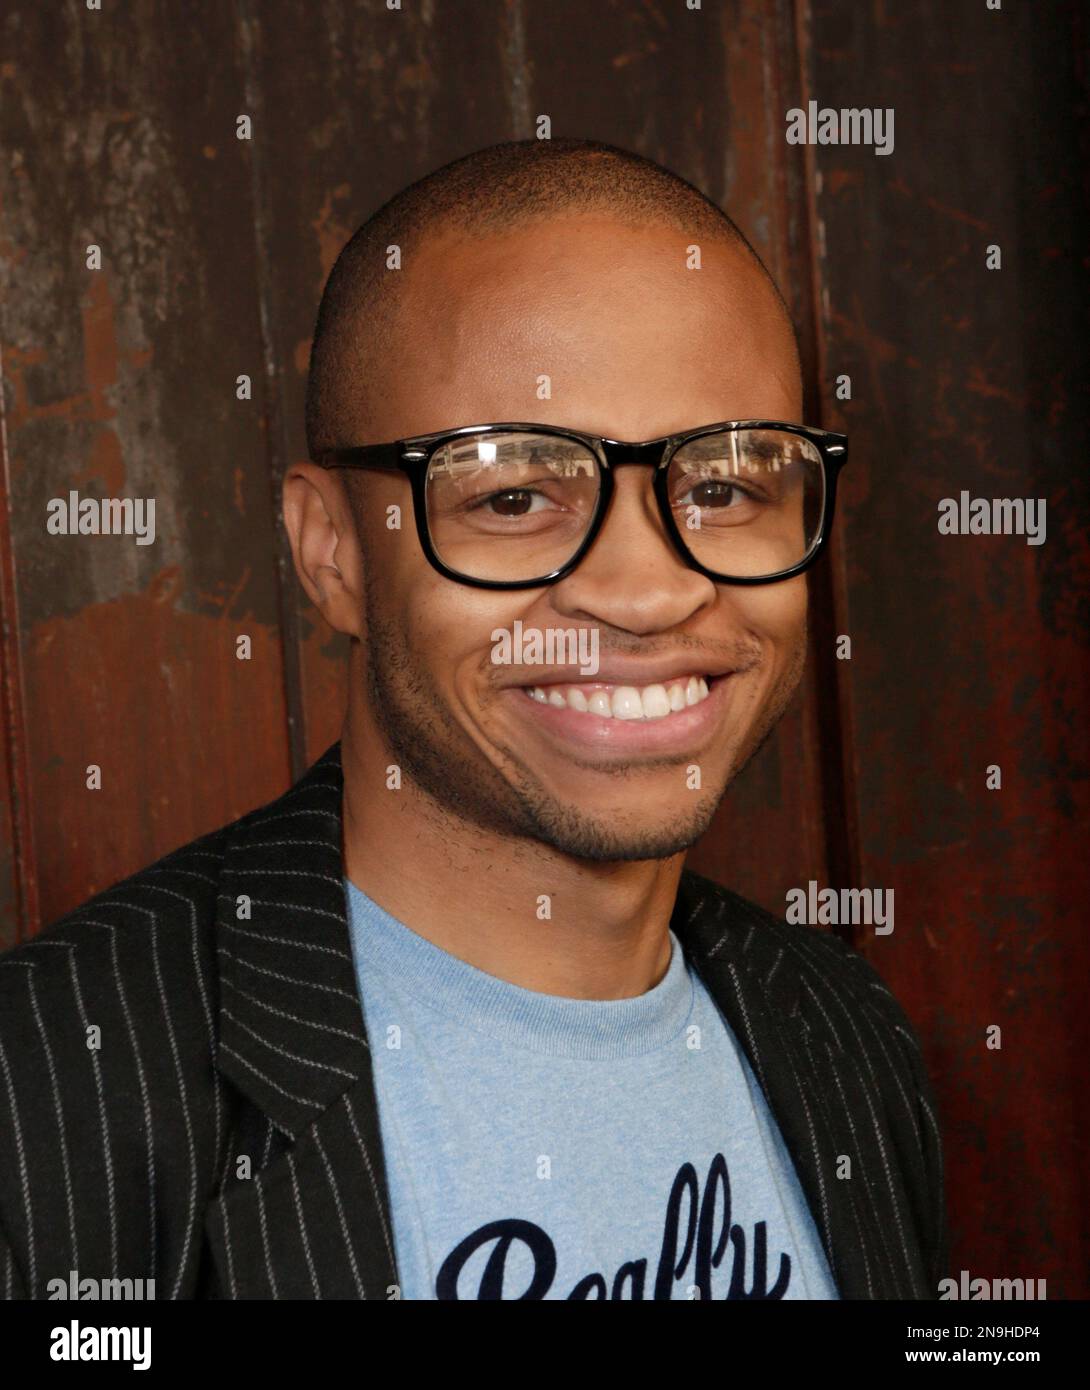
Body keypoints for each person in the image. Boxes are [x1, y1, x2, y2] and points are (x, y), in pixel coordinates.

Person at [0, 137, 946, 1301]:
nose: (648, 591)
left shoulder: (841, 1030)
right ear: (331, 551)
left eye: (722, 484)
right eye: (511, 496)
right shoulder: (46, 1088)